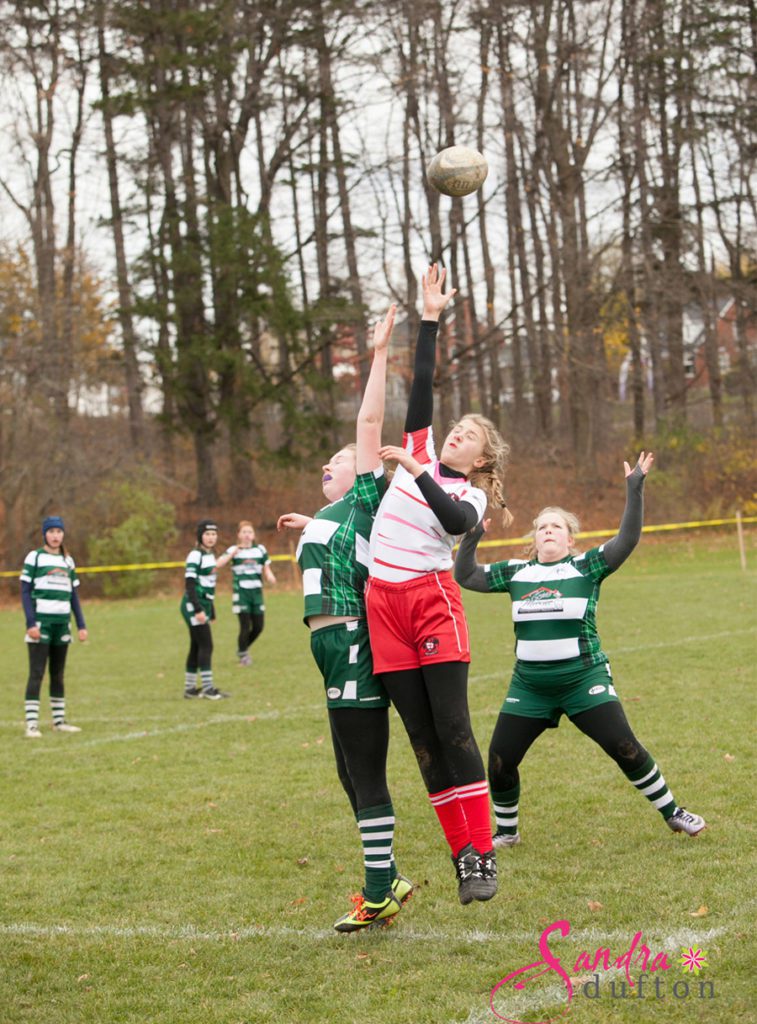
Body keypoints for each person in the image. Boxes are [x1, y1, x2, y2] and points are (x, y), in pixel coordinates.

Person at [454, 452, 706, 846]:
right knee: (500, 759)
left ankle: (673, 812)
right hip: (529, 687)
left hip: (583, 679)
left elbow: (628, 539)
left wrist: (634, 488)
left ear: (570, 539)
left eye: (556, 527)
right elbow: (466, 575)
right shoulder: (517, 573)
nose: (548, 531)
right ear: (534, 538)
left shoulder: (587, 566)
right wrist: (471, 539)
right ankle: (507, 833)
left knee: (624, 747)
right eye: (541, 527)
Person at [362, 264, 511, 905]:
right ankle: (462, 859)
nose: (457, 431)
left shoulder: (472, 494)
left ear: (481, 459)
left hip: (431, 603)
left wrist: (414, 469)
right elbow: (421, 383)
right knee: (421, 742)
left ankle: (484, 855)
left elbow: (451, 523)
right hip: (382, 604)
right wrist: (429, 317)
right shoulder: (420, 441)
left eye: (470, 435)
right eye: (458, 425)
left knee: (454, 731)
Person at [278, 303, 414, 933]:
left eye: (334, 461)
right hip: (329, 651)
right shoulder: (330, 519)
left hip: (355, 642)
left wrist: (380, 352)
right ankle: (388, 876)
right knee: (346, 770)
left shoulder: (364, 497)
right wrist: (310, 528)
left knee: (364, 767)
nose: (325, 469)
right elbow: (342, 552)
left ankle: (378, 891)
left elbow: (367, 420)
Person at [20, 515, 87, 738]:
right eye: (51, 532)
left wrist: (81, 624)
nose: (55, 535)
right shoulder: (35, 558)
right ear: (44, 534)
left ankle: (59, 721)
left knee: (58, 674)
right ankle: (31, 724)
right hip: (41, 623)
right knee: (37, 673)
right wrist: (30, 622)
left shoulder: (68, 561)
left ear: (63, 534)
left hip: (62, 624)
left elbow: (74, 596)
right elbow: (25, 591)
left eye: (59, 531)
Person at [181, 520, 235, 700]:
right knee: (206, 645)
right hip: (193, 603)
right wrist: (197, 609)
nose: (211, 538)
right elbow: (190, 584)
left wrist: (211, 610)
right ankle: (207, 688)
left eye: (213, 534)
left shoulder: (209, 555)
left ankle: (190, 689)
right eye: (207, 534)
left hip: (203, 603)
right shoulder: (195, 555)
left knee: (196, 645)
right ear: (200, 536)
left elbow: (208, 585)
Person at [226, 521, 276, 667]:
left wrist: (270, 575)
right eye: (244, 532)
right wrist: (232, 554)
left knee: (259, 626)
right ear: (239, 535)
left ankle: (242, 648)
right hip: (241, 593)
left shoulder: (260, 550)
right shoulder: (233, 550)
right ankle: (243, 656)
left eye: (250, 532)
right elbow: (218, 563)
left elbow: (266, 567)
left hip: (256, 593)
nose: (247, 535)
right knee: (245, 626)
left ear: (253, 535)